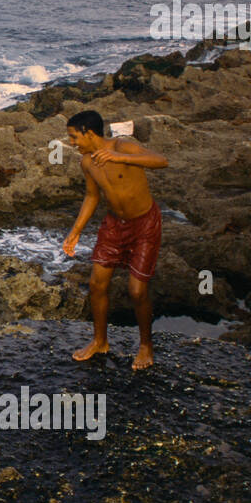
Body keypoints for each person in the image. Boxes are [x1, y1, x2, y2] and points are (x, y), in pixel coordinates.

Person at [61, 110, 169, 370]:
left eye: (74, 137)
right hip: (113, 226)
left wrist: (120, 157)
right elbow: (92, 197)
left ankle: (145, 346)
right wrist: (75, 232)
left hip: (144, 224)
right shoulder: (87, 163)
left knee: (136, 290)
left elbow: (161, 161)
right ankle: (100, 341)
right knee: (97, 285)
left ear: (89, 132)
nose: (72, 143)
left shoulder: (122, 146)